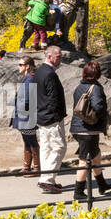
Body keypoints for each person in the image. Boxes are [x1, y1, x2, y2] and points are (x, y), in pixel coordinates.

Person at [70, 60, 110, 200]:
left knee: (96, 156)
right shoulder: (96, 88)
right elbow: (98, 106)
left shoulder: (79, 87)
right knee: (84, 161)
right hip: (89, 130)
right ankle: (78, 192)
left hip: (78, 128)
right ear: (97, 74)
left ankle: (102, 183)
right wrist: (101, 116)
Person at [34, 47, 67, 194]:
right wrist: (57, 116)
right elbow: (54, 98)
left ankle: (46, 178)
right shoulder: (49, 74)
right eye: (58, 57)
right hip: (51, 118)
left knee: (46, 148)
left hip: (41, 116)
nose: (61, 59)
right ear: (49, 56)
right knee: (59, 147)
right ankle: (46, 179)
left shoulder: (39, 71)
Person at [11, 55, 40, 175]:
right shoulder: (27, 78)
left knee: (31, 140)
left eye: (21, 64)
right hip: (24, 116)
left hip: (27, 117)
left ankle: (36, 168)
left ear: (27, 66)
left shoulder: (30, 79)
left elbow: (27, 99)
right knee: (27, 140)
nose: (19, 66)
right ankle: (27, 166)